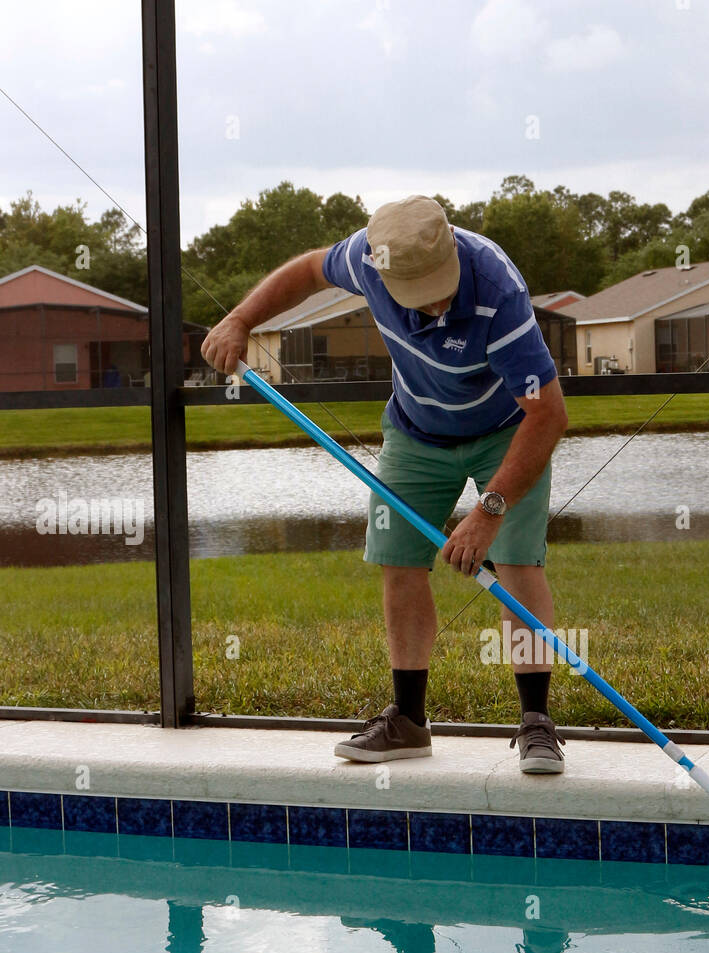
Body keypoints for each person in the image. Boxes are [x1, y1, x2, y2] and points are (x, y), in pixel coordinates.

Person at [201, 195, 568, 774]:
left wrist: (489, 510)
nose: (436, 301)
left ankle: (536, 724)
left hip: (507, 429)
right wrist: (241, 319)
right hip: (416, 431)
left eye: (441, 285)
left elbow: (548, 415)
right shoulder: (364, 259)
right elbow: (304, 271)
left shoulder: (498, 288)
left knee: (517, 565)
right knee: (399, 562)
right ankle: (408, 721)